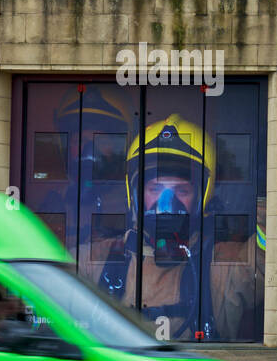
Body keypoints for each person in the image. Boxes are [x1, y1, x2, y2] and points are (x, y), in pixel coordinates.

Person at [94, 117, 259, 341]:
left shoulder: (224, 264)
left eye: (181, 191)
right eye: (155, 188)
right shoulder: (99, 259)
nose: (166, 203)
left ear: (202, 197)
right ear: (135, 194)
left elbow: (276, 260)